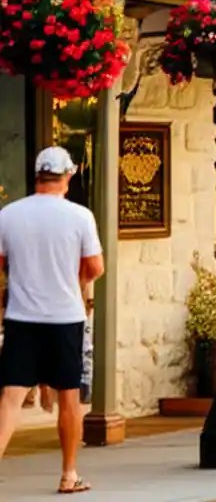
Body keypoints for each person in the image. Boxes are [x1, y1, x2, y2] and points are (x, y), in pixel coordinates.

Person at [0, 146, 104, 494]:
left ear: (37, 176)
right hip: (64, 317)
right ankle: (69, 474)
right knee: (69, 398)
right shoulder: (80, 216)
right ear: (68, 176)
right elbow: (96, 267)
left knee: (11, 397)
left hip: (22, 317)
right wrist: (74, 277)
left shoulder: (9, 215)